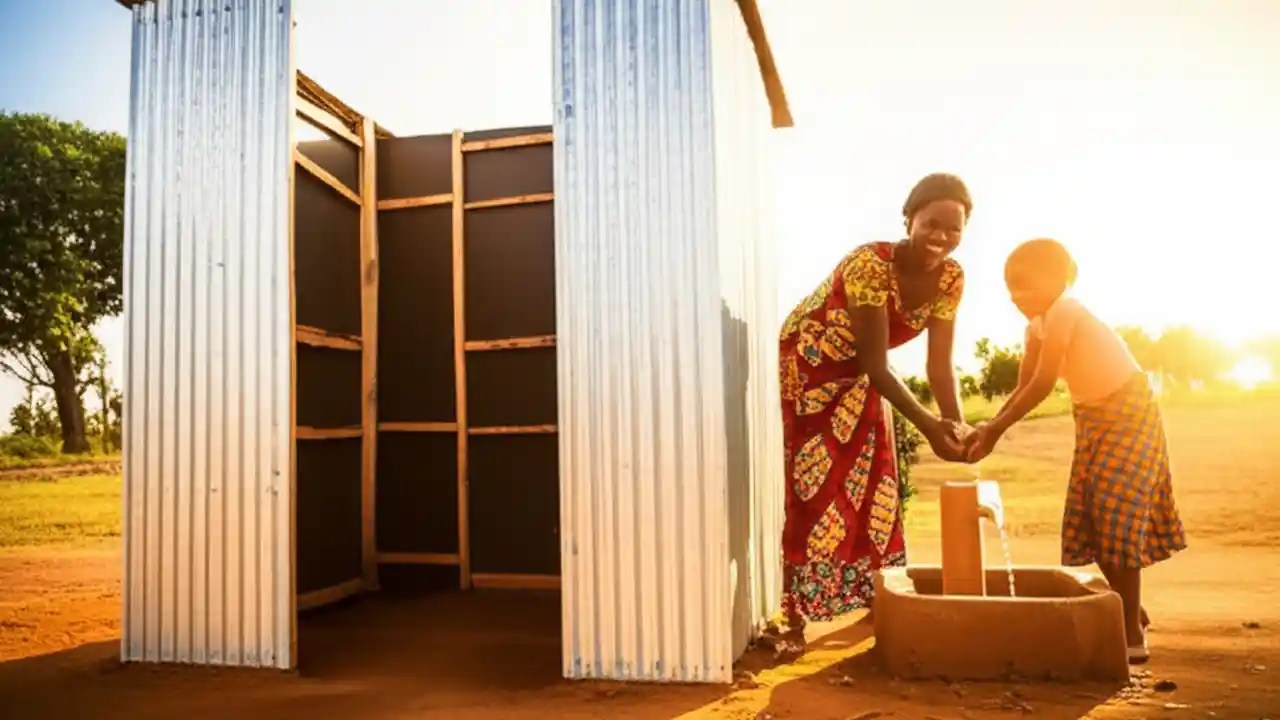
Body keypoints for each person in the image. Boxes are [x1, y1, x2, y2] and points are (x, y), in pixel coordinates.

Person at [965, 238, 1186, 663]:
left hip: (1129, 414)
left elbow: (1044, 382)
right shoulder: (1036, 327)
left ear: (1059, 279)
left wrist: (994, 431)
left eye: (1024, 284)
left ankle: (1129, 631)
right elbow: (1024, 387)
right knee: (1092, 518)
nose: (1015, 296)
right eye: (1009, 287)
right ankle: (1130, 608)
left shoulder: (1066, 309)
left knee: (1117, 516)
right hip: (1092, 419)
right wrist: (989, 428)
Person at [777, 173, 974, 641]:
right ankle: (793, 612)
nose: (942, 237)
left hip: (862, 375)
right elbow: (876, 363)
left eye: (954, 228)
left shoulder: (951, 278)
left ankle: (876, 596)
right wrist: (929, 426)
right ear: (909, 220)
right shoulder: (871, 264)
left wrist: (957, 427)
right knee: (812, 485)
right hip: (810, 365)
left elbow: (939, 366)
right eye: (931, 224)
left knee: (874, 480)